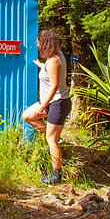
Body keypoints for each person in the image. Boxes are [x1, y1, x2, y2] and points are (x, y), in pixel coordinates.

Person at [22, 29, 71, 186]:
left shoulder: (54, 61)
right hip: (52, 103)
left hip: (57, 103)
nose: (37, 45)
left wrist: (42, 106)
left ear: (45, 44)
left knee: (51, 140)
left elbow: (54, 85)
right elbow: (51, 71)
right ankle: (58, 137)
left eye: (38, 42)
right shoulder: (54, 58)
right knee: (28, 116)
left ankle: (56, 175)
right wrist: (41, 65)